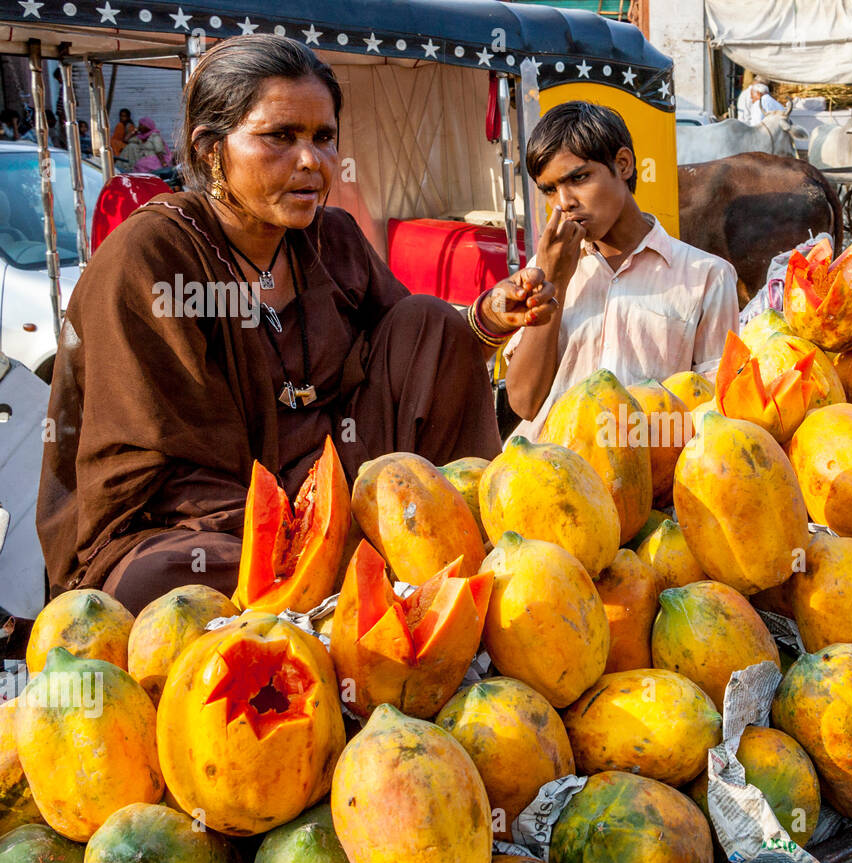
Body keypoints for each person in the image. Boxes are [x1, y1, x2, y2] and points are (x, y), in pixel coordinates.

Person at [38, 34, 557, 612]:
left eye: (324, 138)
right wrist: (297, 536)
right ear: (212, 151)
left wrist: (484, 319)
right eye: (280, 137)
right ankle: (368, 566)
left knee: (428, 320)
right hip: (205, 525)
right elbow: (169, 462)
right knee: (162, 588)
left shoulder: (331, 238)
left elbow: (415, 358)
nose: (312, 161)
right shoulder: (151, 258)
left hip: (341, 484)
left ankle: (415, 542)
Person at [504, 100, 738, 439]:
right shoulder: (544, 272)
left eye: (579, 178)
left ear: (623, 164)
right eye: (550, 190)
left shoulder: (706, 277)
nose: (563, 202)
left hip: (649, 472)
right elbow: (524, 403)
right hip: (548, 473)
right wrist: (553, 285)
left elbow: (713, 414)